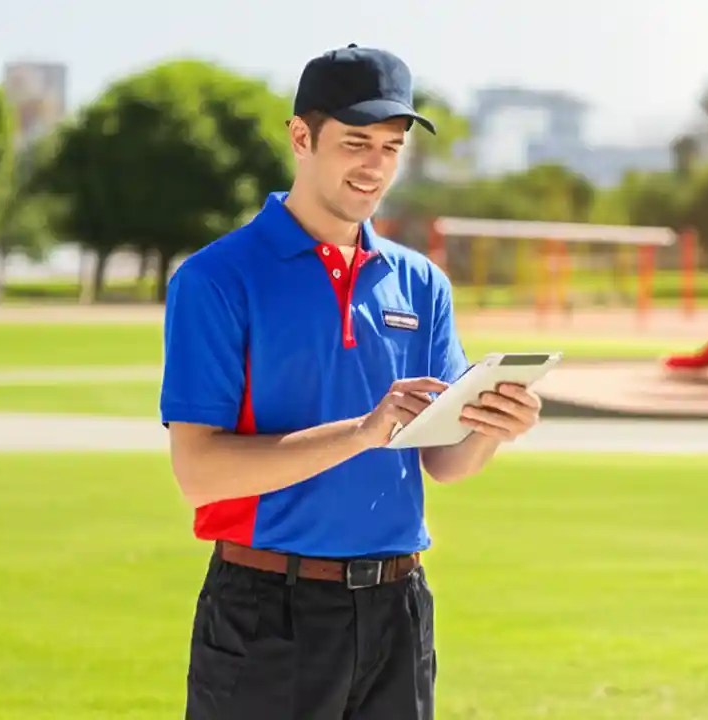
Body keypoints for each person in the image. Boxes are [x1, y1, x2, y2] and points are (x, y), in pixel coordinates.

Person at [159, 44, 541, 720]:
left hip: (397, 609)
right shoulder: (217, 279)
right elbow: (200, 473)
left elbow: (446, 464)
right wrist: (362, 432)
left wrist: (493, 428)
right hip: (266, 613)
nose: (375, 165)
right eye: (356, 142)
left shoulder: (420, 283)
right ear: (300, 138)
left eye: (391, 147)